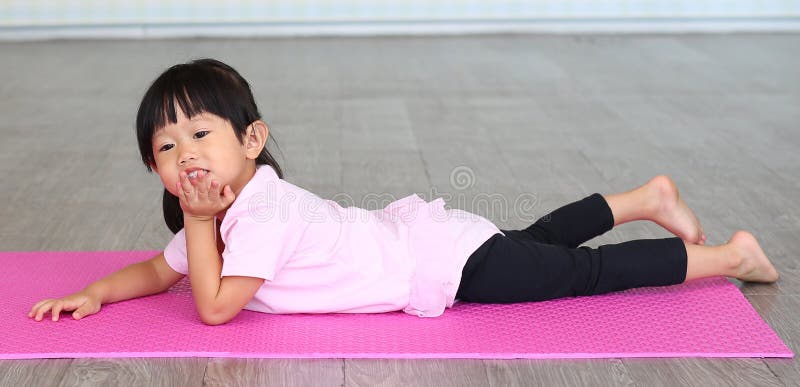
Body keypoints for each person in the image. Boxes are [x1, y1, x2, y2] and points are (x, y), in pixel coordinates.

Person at [28, 59, 780, 326]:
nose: (186, 154)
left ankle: (727, 258)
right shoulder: (224, 215)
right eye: (166, 147)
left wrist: (197, 222)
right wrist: (95, 293)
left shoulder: (259, 213)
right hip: (435, 242)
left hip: (441, 266)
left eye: (200, 133)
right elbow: (158, 270)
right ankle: (644, 197)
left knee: (576, 274)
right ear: (154, 168)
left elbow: (215, 307)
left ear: (251, 141)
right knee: (537, 242)